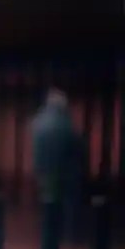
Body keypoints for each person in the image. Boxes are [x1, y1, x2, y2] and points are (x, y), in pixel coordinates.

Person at [31, 88, 85, 233]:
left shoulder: (38, 121)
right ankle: (67, 233)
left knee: (48, 201)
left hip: (43, 170)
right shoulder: (64, 122)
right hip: (65, 170)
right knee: (67, 205)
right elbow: (76, 144)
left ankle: (48, 231)